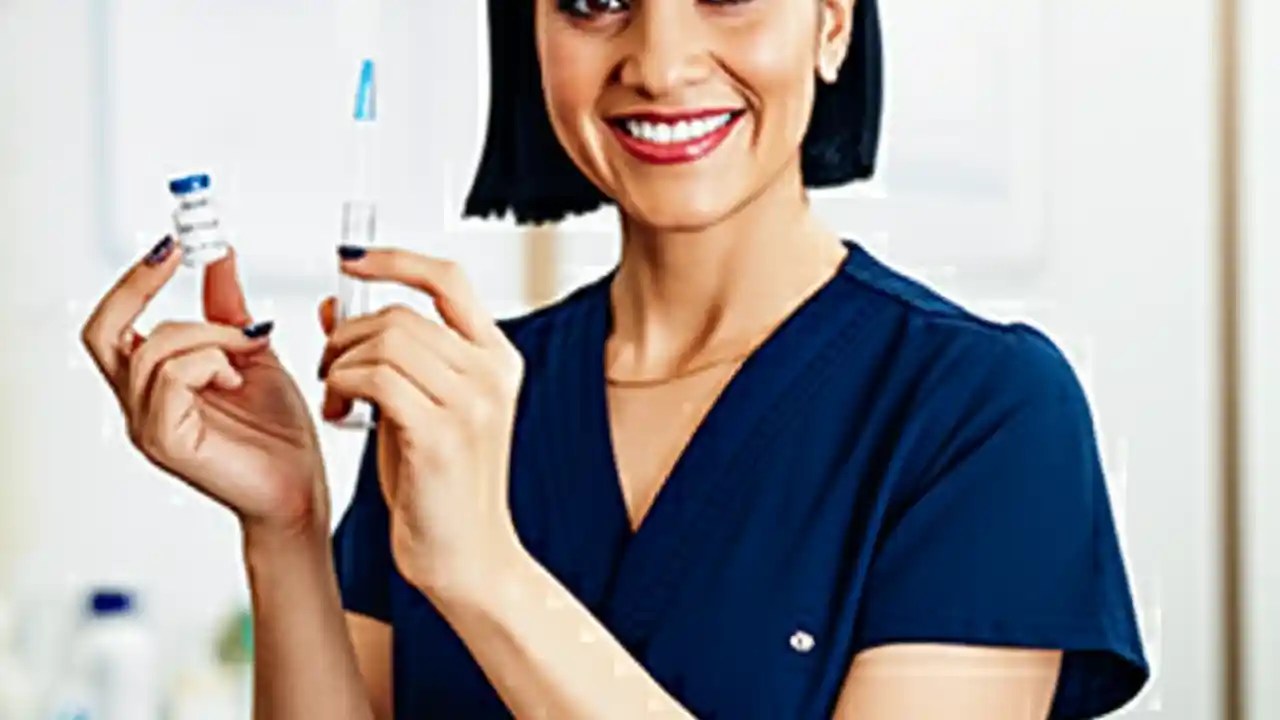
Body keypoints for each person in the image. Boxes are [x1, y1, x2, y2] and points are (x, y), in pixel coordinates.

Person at [80, 0, 1149, 717]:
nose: (661, 61)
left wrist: (484, 576)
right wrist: (288, 528)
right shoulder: (460, 398)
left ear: (830, 20)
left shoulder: (982, 413)